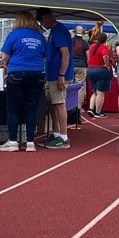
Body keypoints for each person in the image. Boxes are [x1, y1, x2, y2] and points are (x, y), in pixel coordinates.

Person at [0, 11, 46, 152]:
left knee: (13, 108)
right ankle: (30, 142)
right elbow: (44, 55)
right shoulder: (40, 37)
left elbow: (4, 56)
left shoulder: (14, 35)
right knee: (31, 108)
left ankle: (13, 141)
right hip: (37, 73)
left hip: (17, 72)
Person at [37, 8, 73, 149]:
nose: (42, 24)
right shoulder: (55, 31)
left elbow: (65, 54)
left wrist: (61, 75)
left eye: (42, 20)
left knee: (59, 104)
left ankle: (63, 137)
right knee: (53, 105)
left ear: (48, 17)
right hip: (52, 74)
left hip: (58, 74)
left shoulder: (58, 31)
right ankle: (57, 133)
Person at [86, 31, 112, 117]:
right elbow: (105, 56)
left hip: (90, 69)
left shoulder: (92, 46)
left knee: (94, 91)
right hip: (100, 70)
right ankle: (98, 111)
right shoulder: (104, 47)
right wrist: (107, 65)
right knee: (100, 92)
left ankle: (91, 108)